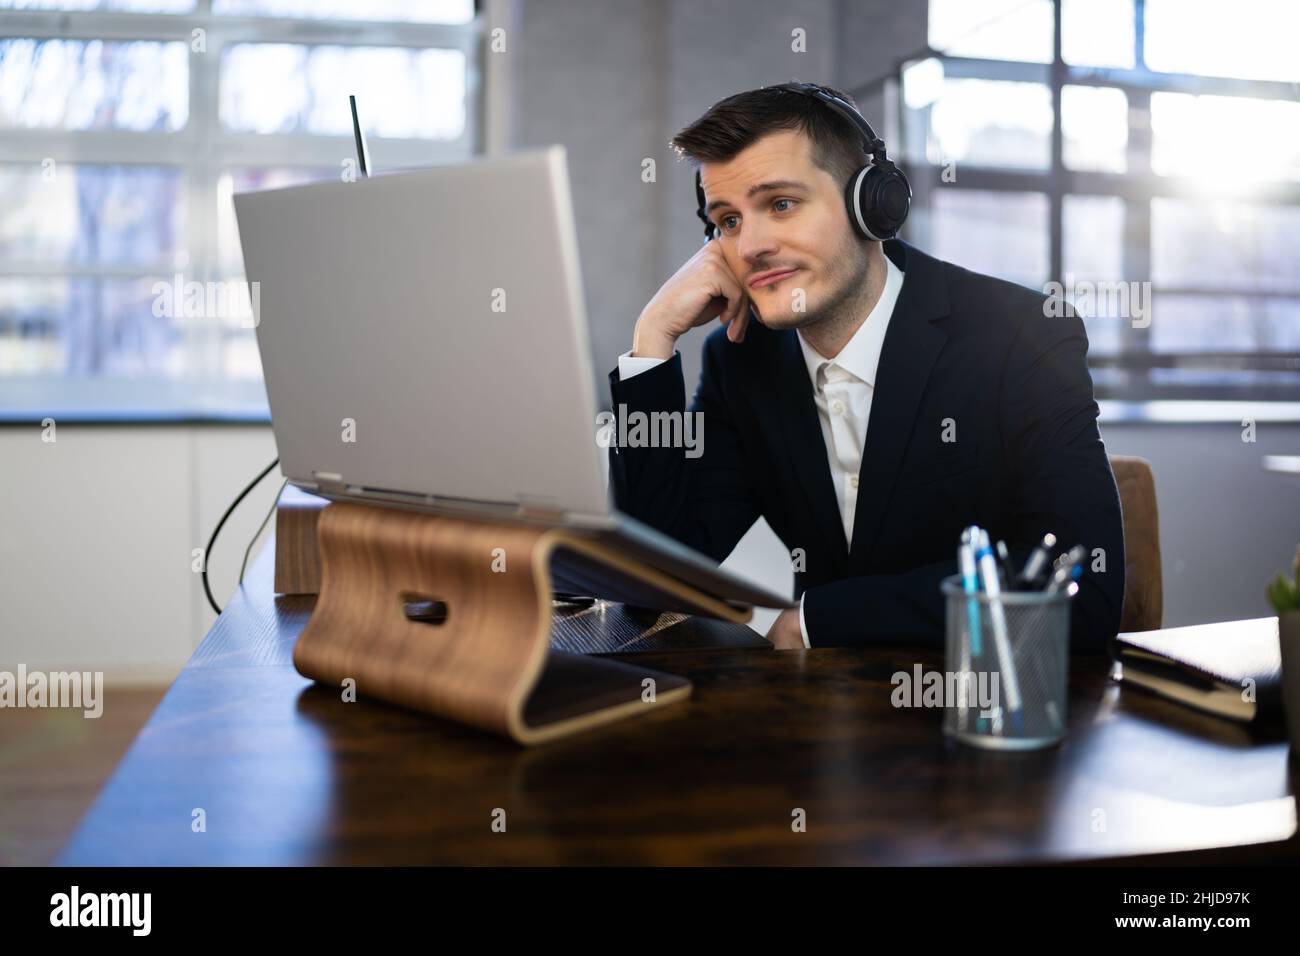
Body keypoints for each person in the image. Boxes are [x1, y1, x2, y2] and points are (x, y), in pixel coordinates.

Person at [607, 82, 1125, 651]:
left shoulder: (1021, 336)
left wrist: (814, 621)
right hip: (822, 721)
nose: (749, 245)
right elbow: (656, 582)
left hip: (988, 711)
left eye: (780, 204)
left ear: (873, 203)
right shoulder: (740, 359)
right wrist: (651, 342)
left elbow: (1084, 592)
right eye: (727, 221)